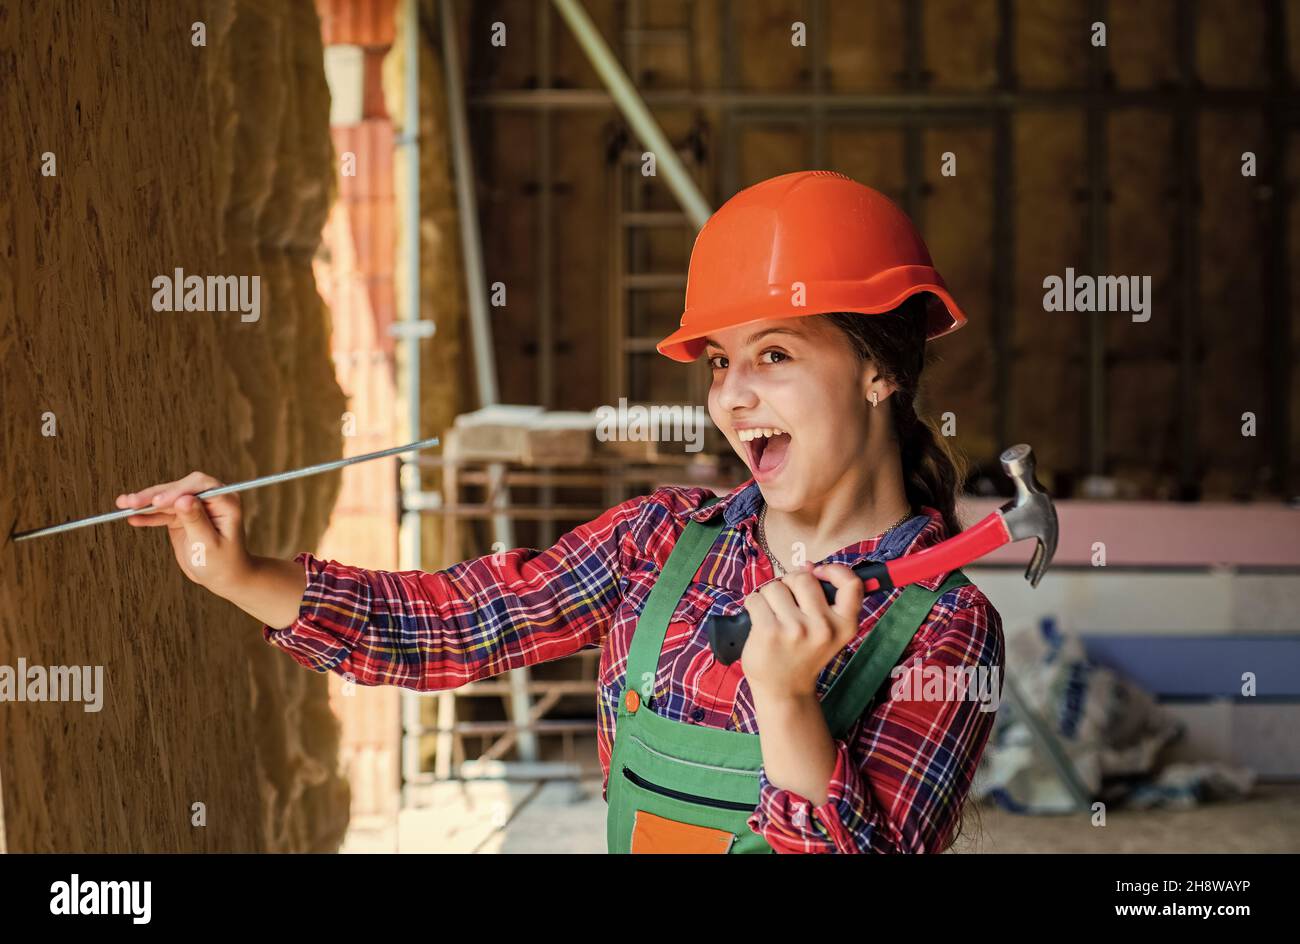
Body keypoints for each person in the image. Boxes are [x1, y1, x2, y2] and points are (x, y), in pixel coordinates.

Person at [117, 171, 1004, 854]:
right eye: (717, 363)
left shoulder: (945, 629)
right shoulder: (662, 542)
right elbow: (460, 624)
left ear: (879, 370)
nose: (733, 396)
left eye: (773, 354)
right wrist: (236, 573)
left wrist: (786, 702)